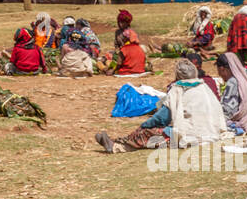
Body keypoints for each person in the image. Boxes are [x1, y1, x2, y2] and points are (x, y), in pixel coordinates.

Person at [95, 59, 227, 152]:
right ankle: (117, 144)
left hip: (193, 135)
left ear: (178, 75)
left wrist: (145, 124)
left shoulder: (178, 88)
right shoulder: (204, 87)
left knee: (148, 133)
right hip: (212, 131)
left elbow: (162, 117)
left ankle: (116, 146)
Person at [216, 51, 247, 132]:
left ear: (222, 69)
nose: (219, 74)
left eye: (218, 70)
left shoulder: (232, 82)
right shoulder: (243, 78)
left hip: (241, 120)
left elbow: (228, 111)